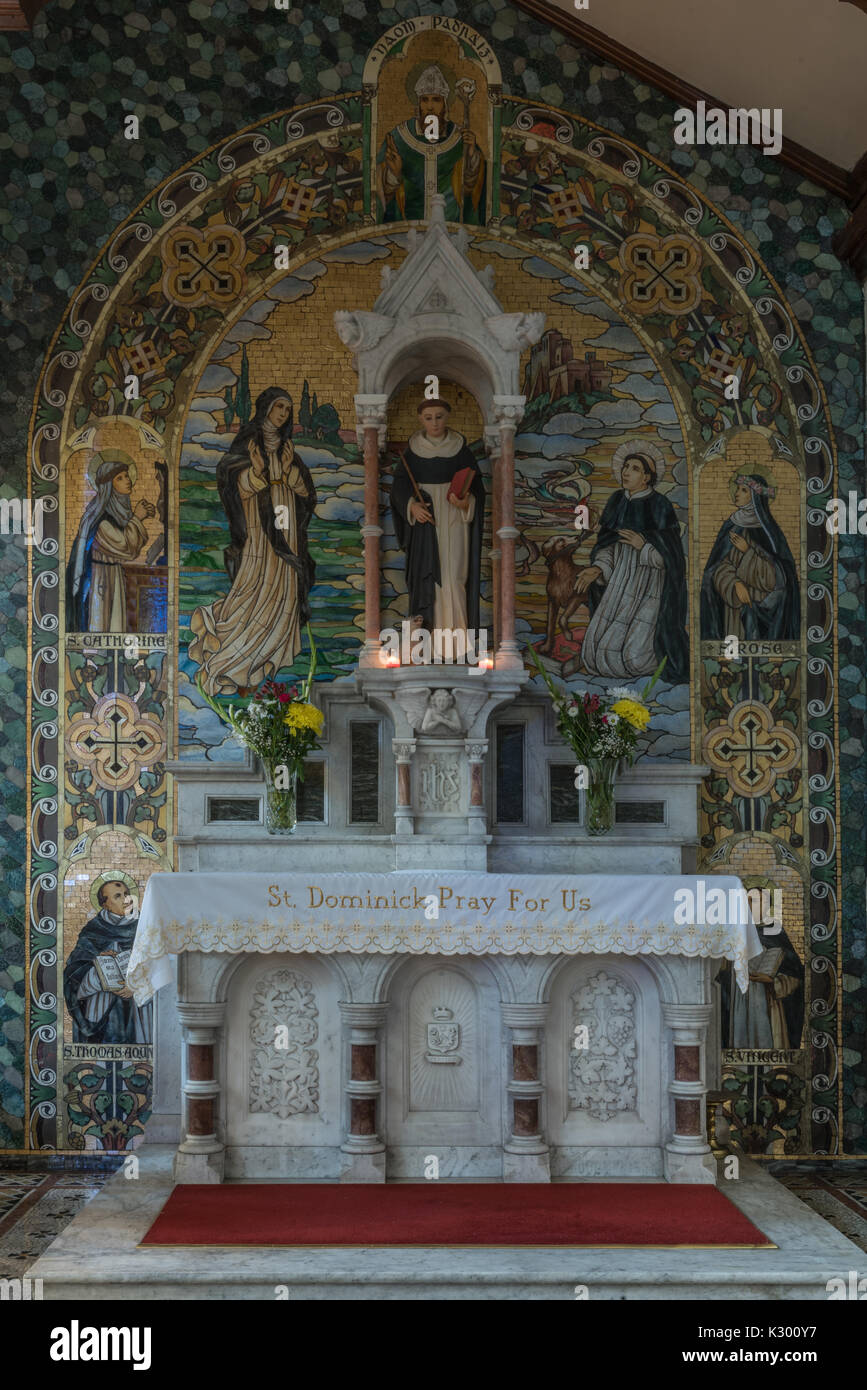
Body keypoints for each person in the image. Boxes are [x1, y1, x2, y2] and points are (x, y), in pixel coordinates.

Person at [190, 387, 316, 696]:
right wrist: (259, 474)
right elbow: (231, 482)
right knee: (255, 583)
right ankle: (236, 655)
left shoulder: (288, 449)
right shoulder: (248, 444)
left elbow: (306, 493)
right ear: (265, 408)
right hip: (259, 523)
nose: (283, 413)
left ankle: (267, 656)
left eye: (288, 408)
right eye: (278, 407)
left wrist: (287, 472)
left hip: (285, 515)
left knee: (286, 576)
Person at [575, 443, 688, 683]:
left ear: (647, 477)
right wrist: (598, 568)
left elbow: (672, 559)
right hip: (620, 584)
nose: (627, 472)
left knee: (632, 659)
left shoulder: (660, 505)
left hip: (650, 588)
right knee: (594, 655)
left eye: (635, 468)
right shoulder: (617, 501)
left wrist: (644, 546)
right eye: (626, 467)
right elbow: (608, 545)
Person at [390, 398, 485, 634]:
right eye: (429, 417)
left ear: (448, 417)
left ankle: (459, 642)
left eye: (439, 416)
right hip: (425, 524)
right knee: (428, 579)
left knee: (454, 578)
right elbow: (398, 488)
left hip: (454, 518)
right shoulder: (412, 452)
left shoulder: (461, 451)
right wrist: (412, 506)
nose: (434, 423)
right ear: (420, 419)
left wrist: (465, 503)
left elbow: (478, 491)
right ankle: (429, 641)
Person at [377, 64, 485, 224]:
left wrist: (472, 156)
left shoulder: (460, 137)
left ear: (445, 104)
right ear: (418, 103)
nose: (430, 107)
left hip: (450, 224)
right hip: (407, 226)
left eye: (436, 100)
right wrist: (394, 174)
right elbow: (382, 193)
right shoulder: (398, 138)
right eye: (425, 100)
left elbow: (469, 187)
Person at [700, 472, 800, 640]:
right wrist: (734, 584)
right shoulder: (731, 526)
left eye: (744, 490)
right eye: (737, 489)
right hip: (734, 606)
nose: (737, 493)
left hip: (767, 607)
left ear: (756, 497)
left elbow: (780, 576)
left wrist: (748, 552)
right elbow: (718, 567)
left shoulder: (769, 532)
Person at [65, 451, 155, 632]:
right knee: (100, 625)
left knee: (114, 626)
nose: (127, 480)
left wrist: (137, 518)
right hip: (99, 579)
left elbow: (130, 545)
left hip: (112, 575)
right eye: (120, 478)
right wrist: (137, 518)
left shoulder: (117, 514)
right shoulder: (101, 519)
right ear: (109, 486)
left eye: (127, 475)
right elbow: (125, 547)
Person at [63, 878, 152, 1044]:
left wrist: (136, 985)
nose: (126, 899)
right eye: (118, 896)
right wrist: (97, 965)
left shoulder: (146, 925)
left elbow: (159, 966)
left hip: (139, 1010)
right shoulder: (93, 931)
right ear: (105, 904)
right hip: (100, 1006)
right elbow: (73, 972)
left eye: (127, 894)